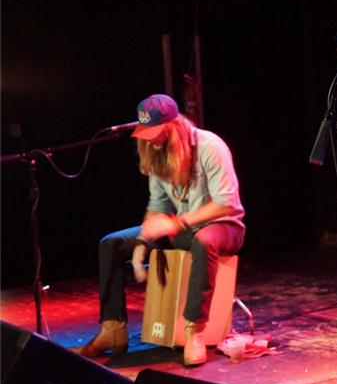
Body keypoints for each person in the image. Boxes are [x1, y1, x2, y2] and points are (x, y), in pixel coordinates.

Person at [80, 94, 245, 366]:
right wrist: (142, 243)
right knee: (111, 243)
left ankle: (195, 330)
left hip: (223, 227)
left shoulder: (210, 147)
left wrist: (177, 222)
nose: (152, 140)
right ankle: (113, 329)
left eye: (157, 133)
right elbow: (156, 206)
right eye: (147, 133)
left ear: (175, 126)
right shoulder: (156, 153)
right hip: (181, 228)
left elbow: (226, 204)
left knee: (204, 240)